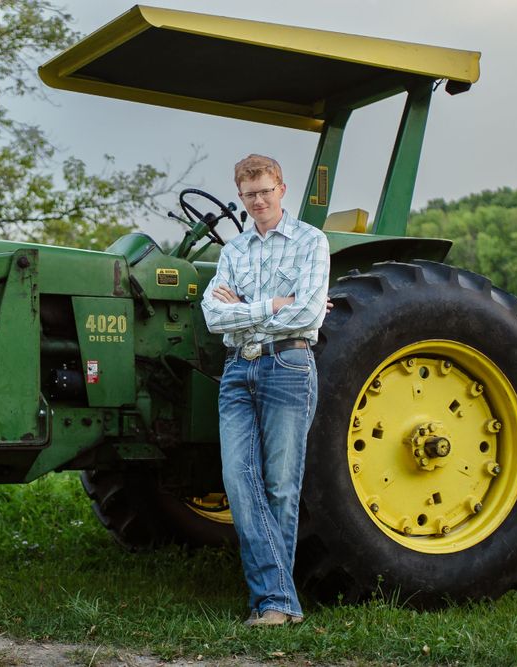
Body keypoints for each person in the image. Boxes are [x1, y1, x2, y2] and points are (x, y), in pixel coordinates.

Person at [201, 154, 330, 627]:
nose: (258, 200)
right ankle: (281, 599)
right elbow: (213, 316)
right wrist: (272, 304)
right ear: (240, 197)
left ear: (281, 189)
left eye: (265, 191)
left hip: (288, 363)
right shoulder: (233, 252)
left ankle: (272, 605)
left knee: (280, 484)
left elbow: (309, 314)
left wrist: (246, 308)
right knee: (238, 480)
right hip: (238, 368)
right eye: (249, 194)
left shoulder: (310, 242)